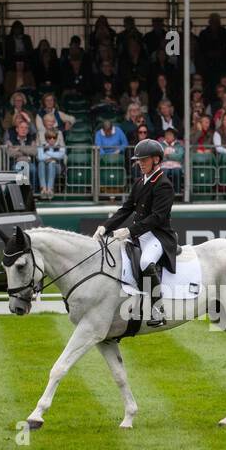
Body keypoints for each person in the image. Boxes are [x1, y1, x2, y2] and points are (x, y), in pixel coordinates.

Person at [94, 137, 177, 327]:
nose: (140, 163)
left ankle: (158, 309)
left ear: (156, 159)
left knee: (146, 262)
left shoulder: (163, 183)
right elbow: (126, 209)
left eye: (144, 160)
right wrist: (106, 226)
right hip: (141, 233)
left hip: (158, 235)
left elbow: (157, 217)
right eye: (139, 160)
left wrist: (129, 231)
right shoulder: (140, 182)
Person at [36, 127, 66, 199]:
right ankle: (43, 189)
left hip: (58, 167)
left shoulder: (60, 146)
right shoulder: (42, 146)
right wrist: (53, 157)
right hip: (44, 166)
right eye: (49, 138)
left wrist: (48, 153)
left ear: (56, 138)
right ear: (46, 139)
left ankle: (50, 189)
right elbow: (40, 157)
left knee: (51, 163)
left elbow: (61, 155)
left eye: (54, 137)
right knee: (41, 163)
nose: (52, 139)